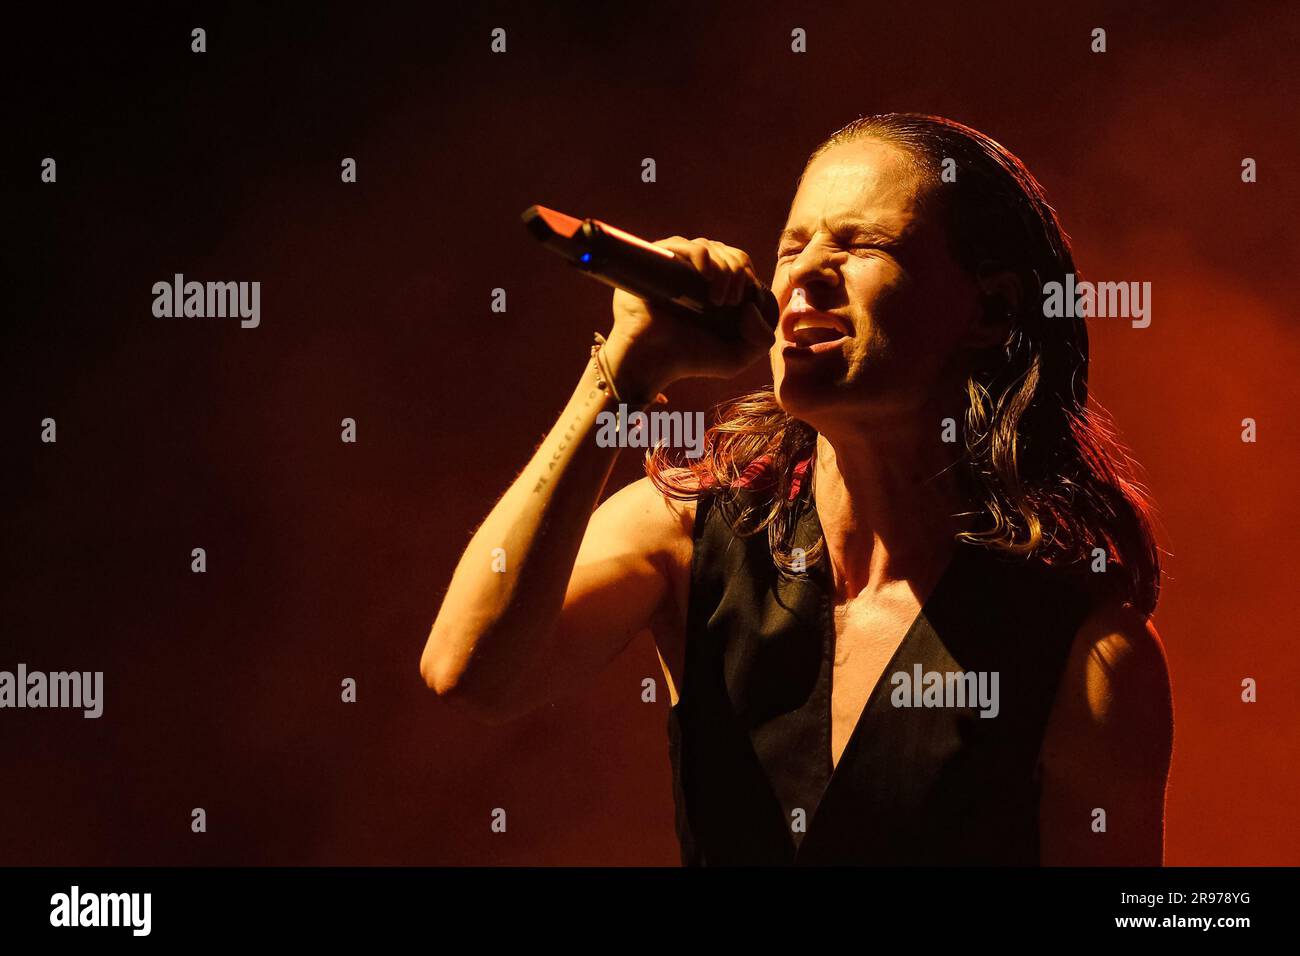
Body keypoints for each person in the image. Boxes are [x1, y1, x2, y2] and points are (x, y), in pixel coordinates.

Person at [420, 113, 1174, 866]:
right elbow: (470, 669)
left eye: (858, 246)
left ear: (992, 309)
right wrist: (625, 369)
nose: (805, 274)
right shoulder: (691, 534)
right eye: (793, 246)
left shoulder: (1086, 656)